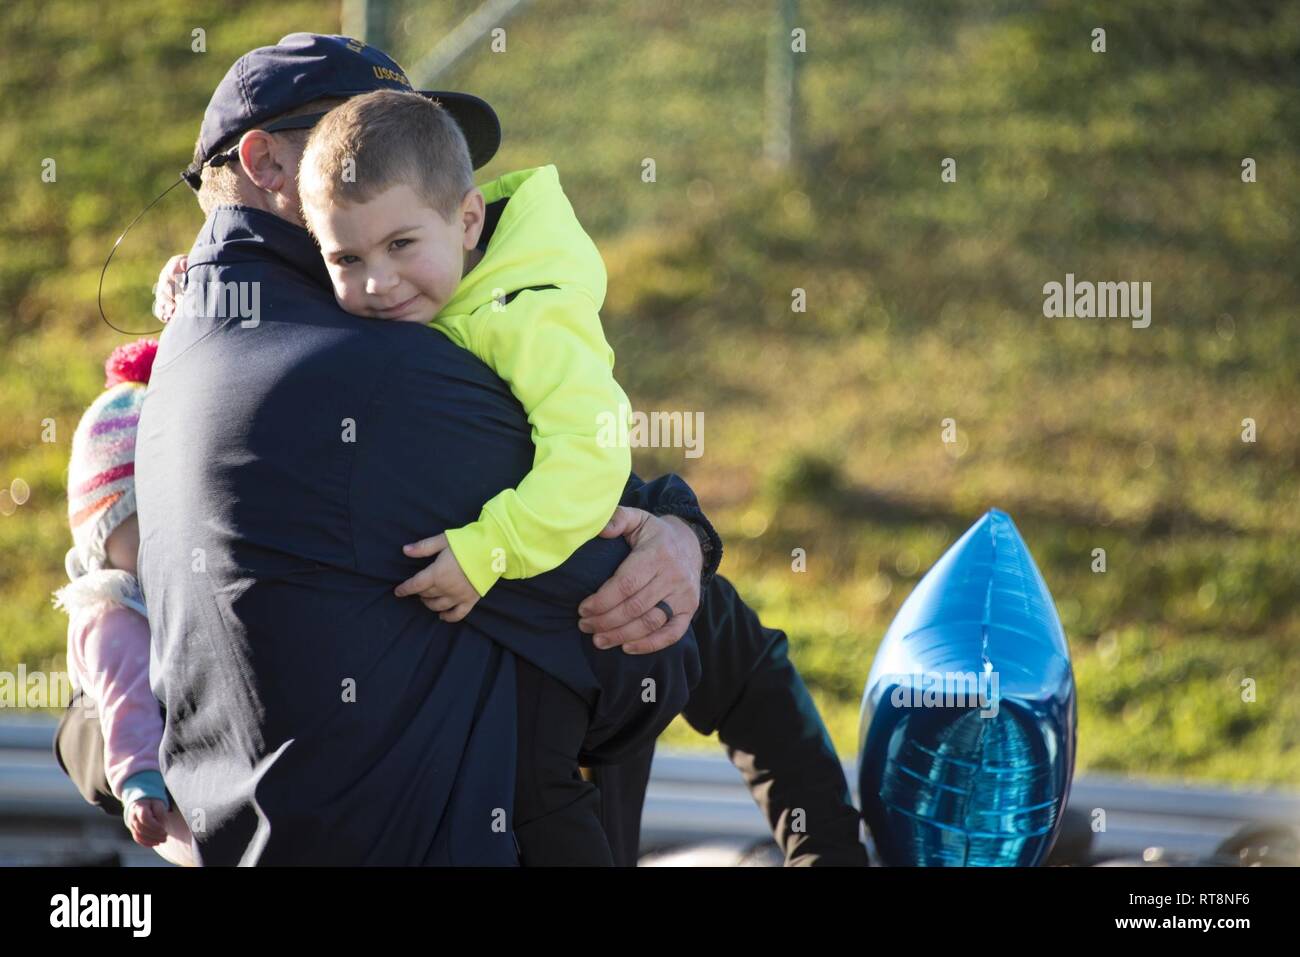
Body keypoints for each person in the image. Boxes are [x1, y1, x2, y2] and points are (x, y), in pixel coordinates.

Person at [119, 32, 866, 866]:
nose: (398, 163)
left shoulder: (176, 371)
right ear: (265, 162)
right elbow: (652, 625)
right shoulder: (373, 375)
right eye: (363, 133)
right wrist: (682, 541)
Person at [50, 340, 197, 867]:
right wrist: (138, 785)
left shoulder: (160, 591)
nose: (164, 544)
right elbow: (123, 702)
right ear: (102, 536)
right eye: (144, 530)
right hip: (163, 796)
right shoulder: (116, 617)